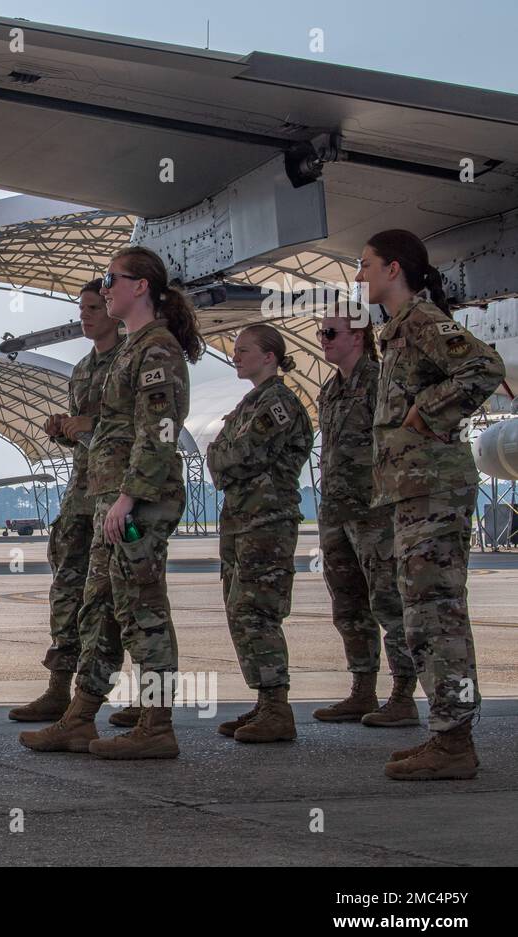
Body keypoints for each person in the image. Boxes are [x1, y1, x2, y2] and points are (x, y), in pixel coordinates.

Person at [21, 246, 202, 759]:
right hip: (109, 498)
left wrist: (128, 497)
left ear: (140, 286)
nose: (103, 290)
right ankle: (80, 716)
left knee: (142, 609)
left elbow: (159, 432)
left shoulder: (157, 349)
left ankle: (157, 724)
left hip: (137, 501)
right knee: (101, 606)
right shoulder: (131, 349)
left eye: (110, 280)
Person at [359, 229, 504, 780]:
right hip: (413, 491)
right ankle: (446, 733)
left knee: (436, 612)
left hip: (434, 490)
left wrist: (428, 408)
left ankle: (454, 741)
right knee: (423, 613)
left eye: (366, 264)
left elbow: (483, 367)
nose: (360, 274)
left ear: (394, 269)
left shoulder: (421, 321)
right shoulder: (396, 331)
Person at [9, 279, 126, 723]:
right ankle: (59, 687)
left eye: (94, 307)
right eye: (82, 308)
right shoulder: (81, 369)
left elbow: (137, 428)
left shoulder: (130, 361)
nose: (86, 315)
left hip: (119, 497)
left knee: (125, 597)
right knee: (66, 591)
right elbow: (88, 442)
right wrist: (64, 431)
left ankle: (146, 699)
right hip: (81, 496)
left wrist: (87, 424)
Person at [206, 324, 313, 743]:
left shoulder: (279, 404)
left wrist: (222, 455)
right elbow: (219, 457)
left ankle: (277, 707)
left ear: (269, 356)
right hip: (242, 522)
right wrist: (222, 455)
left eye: (244, 350)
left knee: (257, 612)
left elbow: (239, 455)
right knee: (240, 612)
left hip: (266, 523)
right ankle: (266, 700)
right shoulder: (251, 404)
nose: (236, 356)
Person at [311, 312, 418, 727]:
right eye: (321, 333)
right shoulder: (331, 389)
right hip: (337, 513)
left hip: (375, 514)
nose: (323, 339)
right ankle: (362, 690)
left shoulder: (380, 381)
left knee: (390, 603)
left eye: (330, 332)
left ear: (357, 336)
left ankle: (404, 696)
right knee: (349, 606)